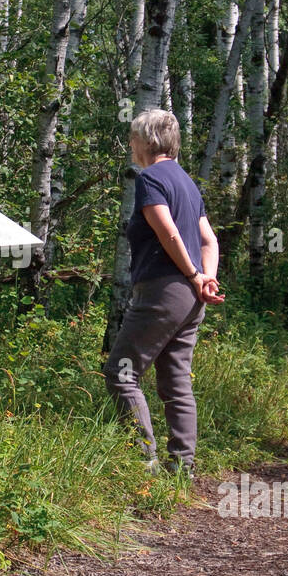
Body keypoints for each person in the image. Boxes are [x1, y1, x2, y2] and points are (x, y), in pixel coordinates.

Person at [103, 109, 224, 478]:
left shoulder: (150, 178)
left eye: (133, 137)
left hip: (163, 291)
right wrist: (205, 279)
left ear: (149, 141)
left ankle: (144, 463)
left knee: (121, 374)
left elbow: (168, 233)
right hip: (190, 298)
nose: (130, 144)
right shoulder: (187, 182)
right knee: (175, 380)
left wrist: (191, 273)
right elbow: (209, 239)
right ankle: (182, 468)